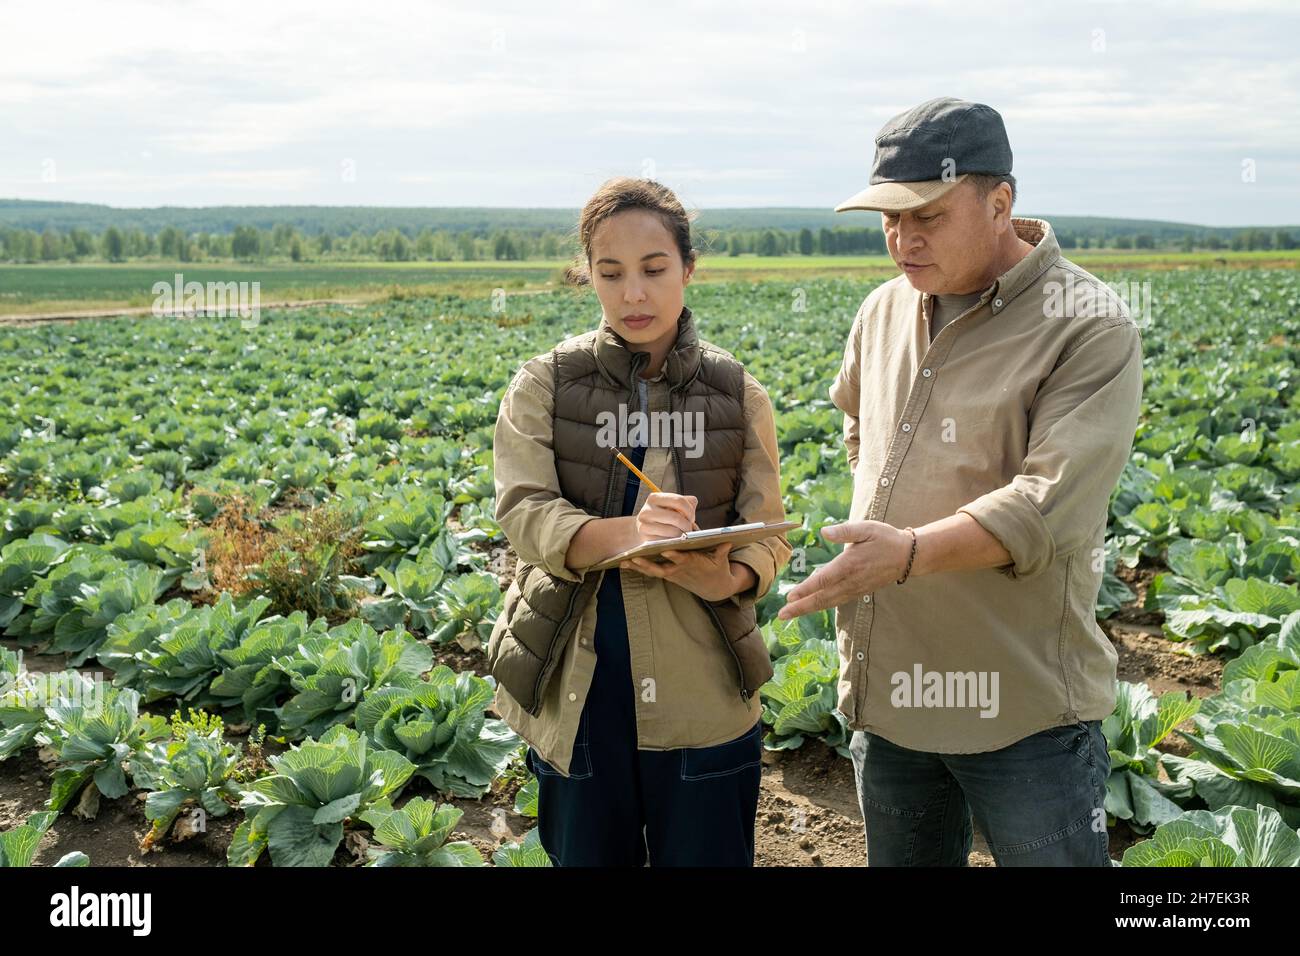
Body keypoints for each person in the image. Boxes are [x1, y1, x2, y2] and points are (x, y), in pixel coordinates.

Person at [778, 97, 1144, 866]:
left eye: (928, 217)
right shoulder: (883, 308)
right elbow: (858, 422)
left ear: (1000, 202)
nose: (903, 240)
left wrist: (908, 552)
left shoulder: (1088, 324)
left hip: (1023, 712)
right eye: (890, 219)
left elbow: (1046, 505)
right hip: (890, 696)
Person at [487, 177, 792, 866]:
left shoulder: (738, 393)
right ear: (588, 275)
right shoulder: (545, 383)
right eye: (611, 272)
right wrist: (630, 533)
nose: (633, 294)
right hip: (578, 688)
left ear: (688, 269)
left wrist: (726, 578)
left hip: (703, 691)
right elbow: (524, 512)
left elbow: (768, 529)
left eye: (654, 270)